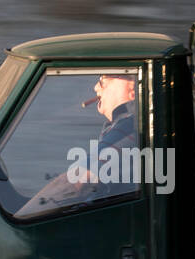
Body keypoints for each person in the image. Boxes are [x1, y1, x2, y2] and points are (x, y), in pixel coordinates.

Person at [15, 74, 136, 217]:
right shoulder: (122, 125)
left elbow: (81, 180)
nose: (96, 87)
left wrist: (23, 219)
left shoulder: (130, 126)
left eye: (103, 81)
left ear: (132, 87)